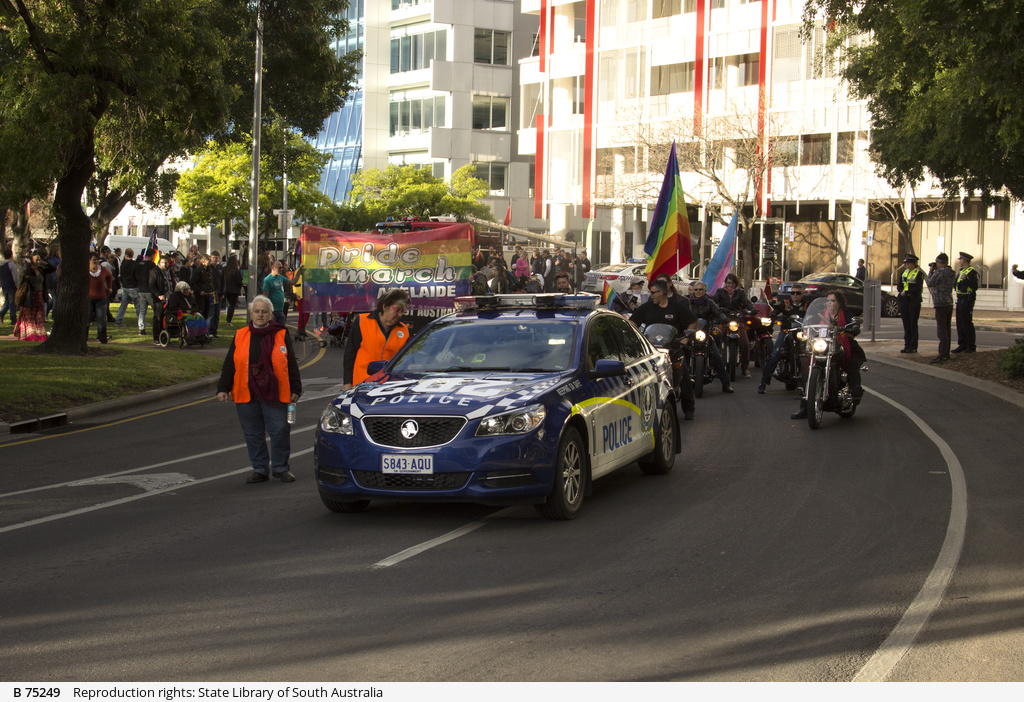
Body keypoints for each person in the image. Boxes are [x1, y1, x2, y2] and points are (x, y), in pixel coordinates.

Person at [217, 295, 302, 484]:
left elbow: (290, 364)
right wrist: (223, 387)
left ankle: (280, 467)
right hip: (246, 393)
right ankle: (260, 469)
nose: (260, 315)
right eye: (257, 311)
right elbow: (230, 364)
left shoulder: (281, 334)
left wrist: (296, 387)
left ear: (271, 314)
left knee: (280, 430)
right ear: (251, 313)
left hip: (275, 393)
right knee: (253, 434)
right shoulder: (240, 335)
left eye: (264, 311)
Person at [630, 278, 698, 419]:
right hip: (651, 350)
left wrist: (685, 338)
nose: (651, 295)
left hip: (673, 347)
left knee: (683, 376)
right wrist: (635, 336)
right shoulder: (647, 307)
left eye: (653, 292)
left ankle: (689, 409)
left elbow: (693, 321)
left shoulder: (677, 307)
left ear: (662, 293)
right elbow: (632, 321)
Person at [791, 289, 864, 420]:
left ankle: (854, 391)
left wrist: (854, 327)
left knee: (851, 363)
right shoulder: (820, 315)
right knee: (809, 368)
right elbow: (808, 323)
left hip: (843, 345)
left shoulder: (846, 314)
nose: (830, 303)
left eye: (833, 300)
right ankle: (805, 407)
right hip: (823, 345)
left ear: (839, 303)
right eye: (828, 300)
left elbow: (854, 322)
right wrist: (803, 329)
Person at [342, 288, 412, 389]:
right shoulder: (362, 321)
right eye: (397, 310)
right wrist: (347, 382)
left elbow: (405, 360)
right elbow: (350, 354)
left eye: (403, 311)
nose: (400, 315)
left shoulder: (403, 330)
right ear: (384, 306)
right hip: (362, 384)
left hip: (389, 386)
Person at [757, 284, 809, 393]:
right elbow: (775, 311)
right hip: (786, 332)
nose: (795, 295)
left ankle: (810, 385)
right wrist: (774, 316)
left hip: (801, 333)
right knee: (775, 354)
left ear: (802, 294)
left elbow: (815, 315)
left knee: (812, 353)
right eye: (793, 293)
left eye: (798, 293)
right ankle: (763, 383)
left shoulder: (807, 304)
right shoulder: (785, 303)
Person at [687, 281, 734, 393]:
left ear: (705, 291)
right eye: (696, 289)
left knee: (717, 357)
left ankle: (726, 383)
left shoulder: (710, 303)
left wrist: (724, 318)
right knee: (680, 355)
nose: (698, 292)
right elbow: (681, 313)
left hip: (706, 334)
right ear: (693, 291)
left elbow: (718, 313)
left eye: (700, 289)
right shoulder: (688, 303)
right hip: (690, 334)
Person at [713, 272, 758, 378]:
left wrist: (752, 309)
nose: (730, 285)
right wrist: (713, 306)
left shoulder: (740, 293)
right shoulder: (720, 292)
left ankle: (745, 368)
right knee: (717, 340)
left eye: (732, 283)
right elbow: (714, 301)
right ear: (725, 283)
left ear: (736, 284)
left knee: (745, 342)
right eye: (728, 283)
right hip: (724, 319)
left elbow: (747, 302)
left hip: (737, 319)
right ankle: (714, 367)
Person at [13, 252, 52, 341]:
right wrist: (29, 265)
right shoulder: (29, 270)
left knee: (39, 315)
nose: (38, 261)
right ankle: (29, 334)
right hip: (30, 296)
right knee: (29, 315)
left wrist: (44, 263)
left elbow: (52, 268)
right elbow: (24, 275)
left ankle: (39, 334)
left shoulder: (41, 270)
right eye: (36, 260)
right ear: (32, 261)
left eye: (39, 259)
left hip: (40, 295)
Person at [926, 253, 955, 363]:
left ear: (940, 262)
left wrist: (930, 271)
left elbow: (930, 282)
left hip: (940, 303)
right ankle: (946, 353)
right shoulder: (951, 272)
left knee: (941, 331)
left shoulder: (939, 272)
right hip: (949, 302)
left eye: (937, 262)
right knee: (947, 330)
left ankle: (942, 354)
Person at [953, 252, 979, 353]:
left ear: (964, 260)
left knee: (966, 322)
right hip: (960, 298)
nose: (959, 261)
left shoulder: (972, 272)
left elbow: (974, 286)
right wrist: (956, 279)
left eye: (960, 259)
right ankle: (962, 344)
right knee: (959, 322)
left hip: (967, 299)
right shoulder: (961, 271)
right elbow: (956, 286)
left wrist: (966, 278)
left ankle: (970, 345)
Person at [898, 254, 924, 353]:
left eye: (909, 263)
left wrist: (908, 292)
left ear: (914, 264)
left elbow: (918, 288)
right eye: (906, 263)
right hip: (904, 300)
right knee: (906, 323)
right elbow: (900, 285)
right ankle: (907, 344)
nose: (907, 265)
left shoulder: (918, 274)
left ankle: (913, 345)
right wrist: (901, 292)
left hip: (914, 300)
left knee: (913, 323)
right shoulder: (903, 273)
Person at [88, 253, 114, 344]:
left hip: (101, 298)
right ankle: (84, 337)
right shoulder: (85, 271)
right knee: (87, 319)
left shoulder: (102, 270)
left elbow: (110, 276)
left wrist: (110, 287)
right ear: (89, 261)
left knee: (101, 319)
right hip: (89, 298)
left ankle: (102, 337)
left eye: (97, 260)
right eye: (94, 260)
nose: (96, 262)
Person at [114, 248, 140, 327]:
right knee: (138, 305)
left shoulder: (123, 264)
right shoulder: (135, 264)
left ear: (126, 255)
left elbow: (121, 274)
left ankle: (118, 320)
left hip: (125, 286)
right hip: (133, 286)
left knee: (123, 304)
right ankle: (141, 320)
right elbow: (137, 275)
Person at [135, 249, 157, 336]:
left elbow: (136, 276)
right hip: (149, 290)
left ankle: (141, 328)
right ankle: (157, 325)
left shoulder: (138, 264)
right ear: (152, 255)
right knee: (156, 309)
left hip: (141, 289)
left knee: (142, 310)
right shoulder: (152, 265)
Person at [260, 260, 289, 326]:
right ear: (273, 268)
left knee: (281, 331)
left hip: (280, 310)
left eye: (282, 267)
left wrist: (300, 270)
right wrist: (269, 312)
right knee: (272, 330)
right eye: (279, 268)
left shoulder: (281, 278)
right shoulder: (267, 280)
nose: (281, 269)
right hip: (273, 311)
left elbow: (293, 282)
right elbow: (265, 297)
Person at [150, 256, 172, 345]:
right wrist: (158, 295)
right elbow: (151, 285)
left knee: (167, 318)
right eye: (162, 262)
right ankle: (156, 338)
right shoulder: (155, 271)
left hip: (169, 297)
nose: (164, 264)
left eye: (166, 262)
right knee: (158, 317)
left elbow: (171, 282)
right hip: (159, 299)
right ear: (159, 262)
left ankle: (165, 337)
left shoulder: (169, 271)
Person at [0, 247, 20, 326]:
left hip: (4, 285)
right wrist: (18, 286)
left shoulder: (1, 265)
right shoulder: (11, 265)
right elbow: (15, 276)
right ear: (11, 255)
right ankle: (13, 319)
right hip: (11, 285)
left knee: (7, 301)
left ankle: (2, 313)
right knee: (12, 303)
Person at [223, 254, 243, 324]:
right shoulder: (236, 271)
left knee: (230, 304)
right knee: (232, 305)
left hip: (227, 290)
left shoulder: (225, 269)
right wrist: (240, 287)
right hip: (234, 290)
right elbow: (239, 281)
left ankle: (228, 319)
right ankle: (228, 320)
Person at [208, 250, 224, 338]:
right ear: (211, 258)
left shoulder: (220, 268)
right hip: (212, 293)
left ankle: (214, 331)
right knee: (212, 312)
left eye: (216, 258)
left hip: (218, 292)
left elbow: (223, 280)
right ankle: (209, 331)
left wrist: (222, 292)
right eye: (213, 257)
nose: (215, 259)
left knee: (217, 313)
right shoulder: (209, 268)